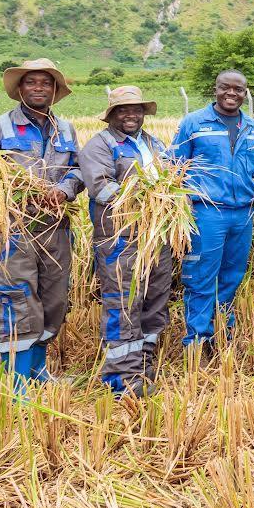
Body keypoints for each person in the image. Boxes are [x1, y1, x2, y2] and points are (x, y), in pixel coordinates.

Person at [0, 59, 83, 392]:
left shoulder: (66, 130)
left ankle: (37, 371)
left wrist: (64, 190)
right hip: (13, 228)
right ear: (20, 89)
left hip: (56, 228)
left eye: (46, 83)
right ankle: (16, 381)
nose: (39, 88)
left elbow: (78, 169)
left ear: (54, 91)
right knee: (16, 298)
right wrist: (12, 193)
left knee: (54, 300)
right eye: (32, 83)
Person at [169, 70, 254, 352]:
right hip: (207, 212)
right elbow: (174, 164)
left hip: (243, 213)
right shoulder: (194, 123)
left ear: (245, 92)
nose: (232, 94)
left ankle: (222, 333)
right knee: (201, 276)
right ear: (215, 89)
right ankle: (197, 341)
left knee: (232, 275)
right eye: (225, 88)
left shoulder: (253, 127)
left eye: (238, 89)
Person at [79, 86, 171, 397]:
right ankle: (121, 380)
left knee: (154, 301)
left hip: (155, 236)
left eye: (136, 109)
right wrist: (145, 200)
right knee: (123, 303)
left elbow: (170, 174)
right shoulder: (100, 145)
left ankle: (143, 366)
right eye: (123, 109)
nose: (131, 114)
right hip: (121, 238)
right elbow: (101, 188)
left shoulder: (153, 143)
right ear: (112, 114)